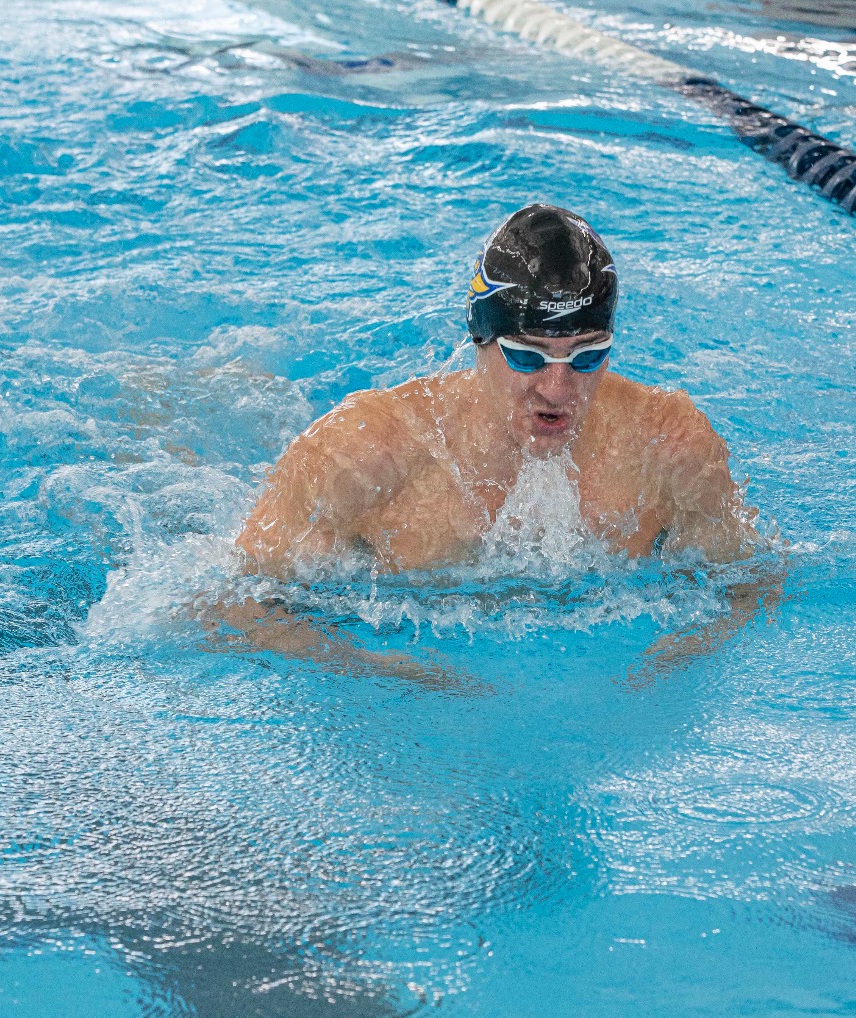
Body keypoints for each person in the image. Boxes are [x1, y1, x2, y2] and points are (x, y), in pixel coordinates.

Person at [219, 203, 774, 680]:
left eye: (587, 356)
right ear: (480, 341)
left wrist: (678, 658)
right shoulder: (367, 454)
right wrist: (380, 671)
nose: (558, 389)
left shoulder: (670, 446)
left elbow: (752, 581)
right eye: (527, 356)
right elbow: (234, 605)